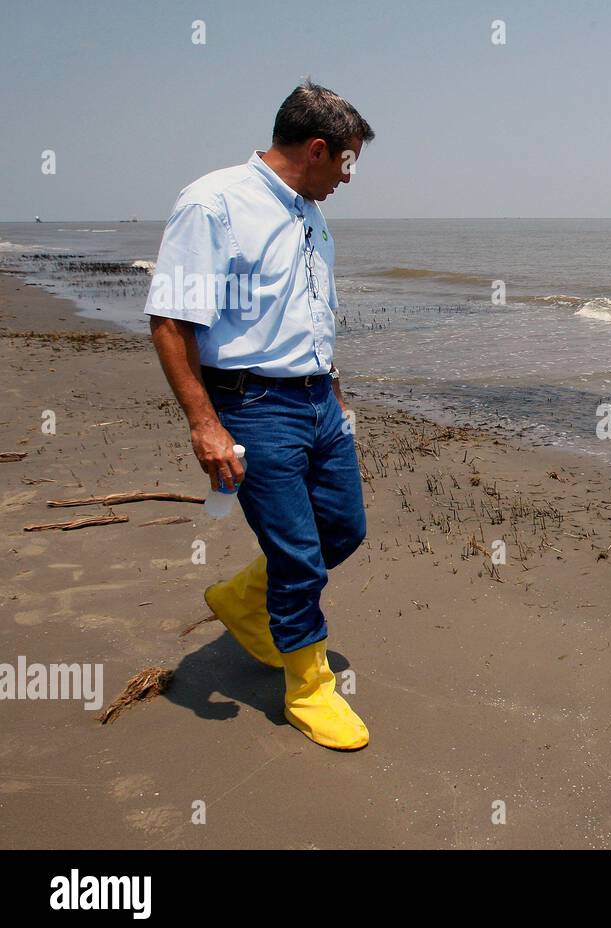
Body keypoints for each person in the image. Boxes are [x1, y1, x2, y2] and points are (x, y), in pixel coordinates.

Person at [147, 81, 375, 751]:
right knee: (300, 557)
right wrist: (204, 422)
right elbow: (169, 320)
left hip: (315, 399)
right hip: (252, 403)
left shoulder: (309, 211)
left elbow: (304, 308)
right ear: (316, 148)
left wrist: (331, 387)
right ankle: (308, 689)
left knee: (343, 527)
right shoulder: (213, 204)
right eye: (347, 162)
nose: (349, 177)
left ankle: (244, 599)